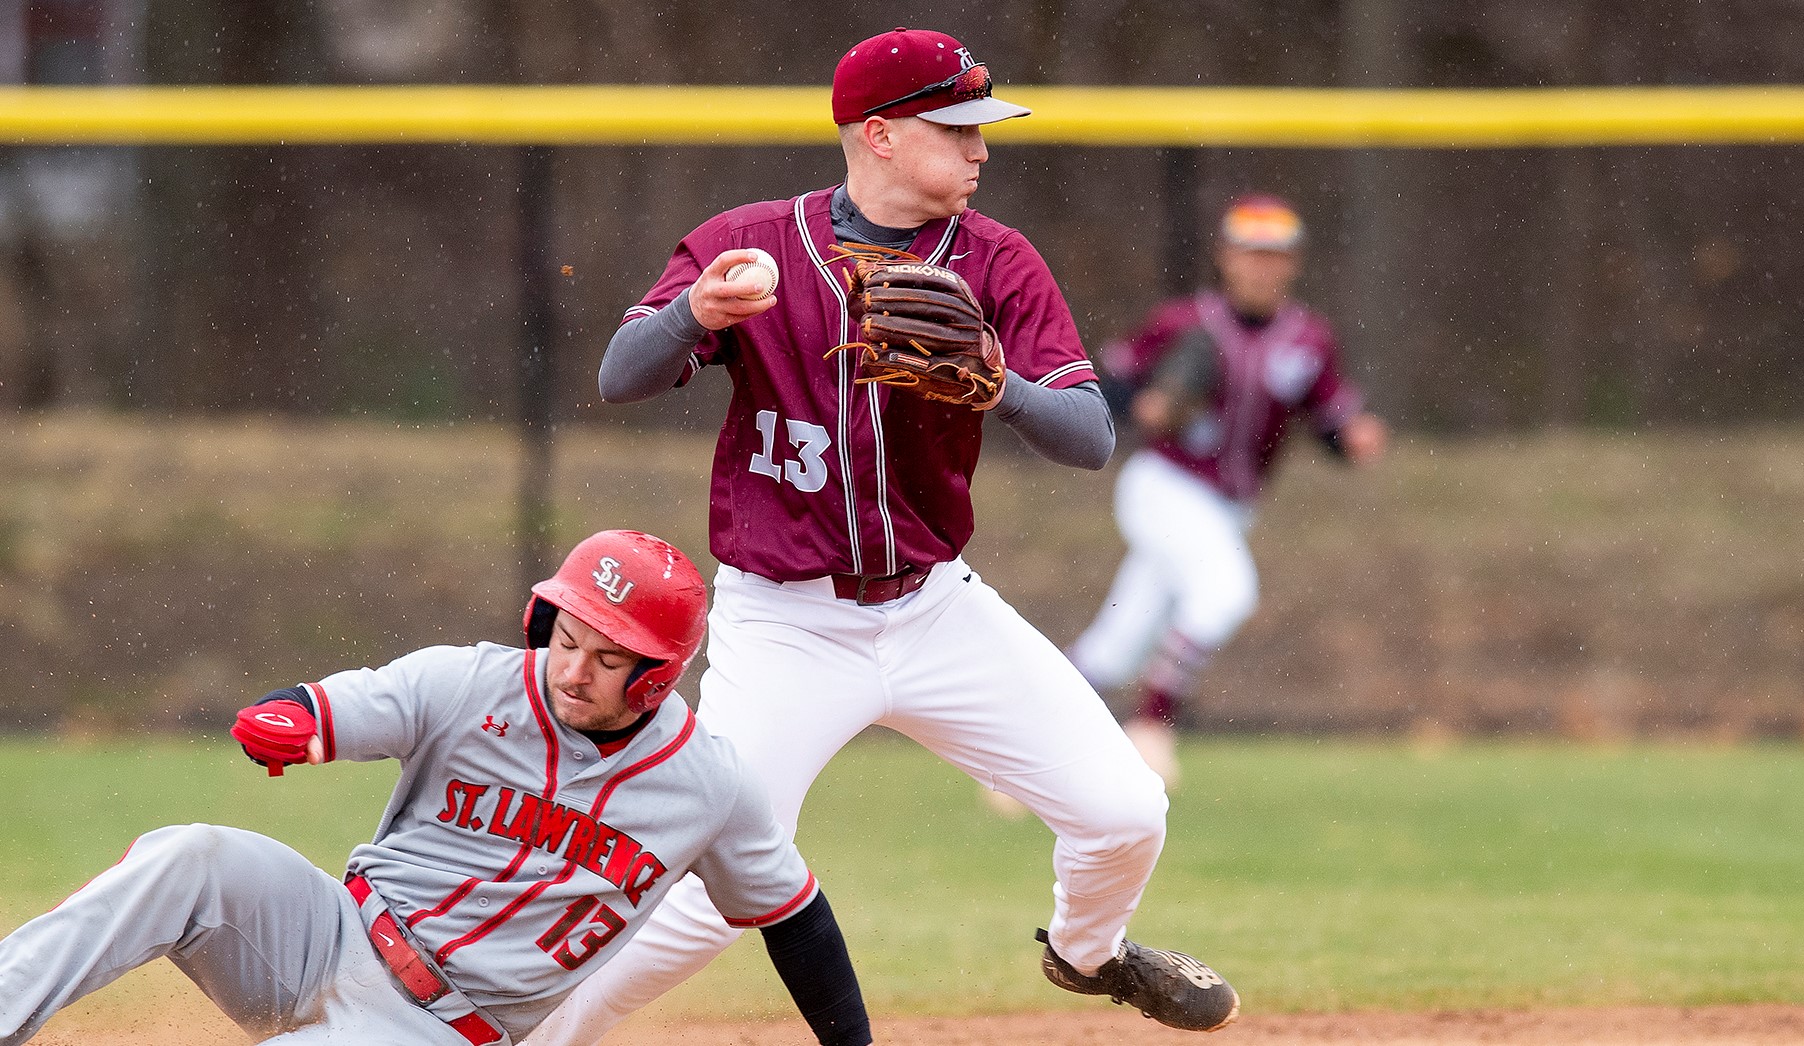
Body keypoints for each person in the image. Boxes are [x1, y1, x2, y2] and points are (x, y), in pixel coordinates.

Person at [526, 26, 1239, 1045]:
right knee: (714, 883)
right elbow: (619, 376)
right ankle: (529, 1038)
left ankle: (1089, 955)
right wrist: (693, 309)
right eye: (958, 130)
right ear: (882, 134)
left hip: (934, 606)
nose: (981, 150)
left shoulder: (996, 260)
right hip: (784, 625)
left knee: (1125, 811)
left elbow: (1088, 437)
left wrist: (1003, 386)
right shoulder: (755, 242)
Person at [0, 530, 873, 1046]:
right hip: (327, 929)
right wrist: (293, 717)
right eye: (568, 638)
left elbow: (796, 916)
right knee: (187, 856)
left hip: (436, 1029)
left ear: (655, 676)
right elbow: (340, 703)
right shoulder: (474, 684)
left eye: (608, 658)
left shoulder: (710, 787)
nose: (574, 669)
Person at [1068, 194, 1389, 786]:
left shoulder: (1309, 339)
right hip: (1164, 487)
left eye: (1275, 255)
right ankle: (1153, 726)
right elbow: (1106, 386)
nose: (1262, 266)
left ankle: (1025, 751)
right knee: (1225, 592)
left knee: (1121, 644)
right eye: (1250, 252)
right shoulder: (1183, 322)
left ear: (1293, 263)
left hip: (1230, 509)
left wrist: (1353, 439)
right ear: (1226, 257)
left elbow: (1329, 421)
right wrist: (1144, 405)